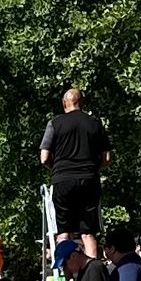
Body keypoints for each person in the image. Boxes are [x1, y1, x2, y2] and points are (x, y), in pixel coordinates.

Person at [41, 87, 112, 258]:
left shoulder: (55, 123)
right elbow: (108, 158)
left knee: (64, 232)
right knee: (88, 232)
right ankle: (93, 270)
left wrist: (56, 169)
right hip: (89, 179)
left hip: (62, 180)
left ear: (64, 103)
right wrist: (93, 169)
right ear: (82, 103)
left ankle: (65, 272)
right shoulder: (95, 123)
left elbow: (44, 157)